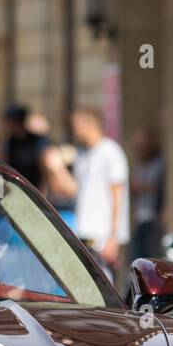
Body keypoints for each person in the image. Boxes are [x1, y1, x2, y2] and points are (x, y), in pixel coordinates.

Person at [57, 106, 130, 274]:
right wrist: (56, 168)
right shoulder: (82, 155)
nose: (75, 130)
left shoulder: (110, 151)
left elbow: (118, 197)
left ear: (90, 124)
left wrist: (114, 237)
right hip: (83, 231)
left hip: (103, 236)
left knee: (106, 285)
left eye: (77, 125)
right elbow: (74, 190)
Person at [0, 105, 71, 200]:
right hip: (17, 190)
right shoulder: (10, 142)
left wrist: (42, 196)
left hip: (36, 191)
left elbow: (45, 171)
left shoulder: (38, 141)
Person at [128, 127, 166, 261]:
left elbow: (159, 187)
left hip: (153, 219)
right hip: (139, 218)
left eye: (143, 145)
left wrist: (142, 187)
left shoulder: (159, 163)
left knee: (151, 259)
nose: (140, 149)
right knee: (137, 258)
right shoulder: (140, 165)